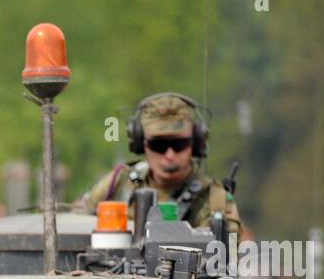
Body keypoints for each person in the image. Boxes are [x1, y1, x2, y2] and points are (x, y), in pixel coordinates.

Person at [76, 92, 243, 233]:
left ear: (195, 143)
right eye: (159, 145)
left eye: (179, 144)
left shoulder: (214, 199)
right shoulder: (119, 182)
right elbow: (77, 222)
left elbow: (230, 258)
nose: (169, 155)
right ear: (141, 143)